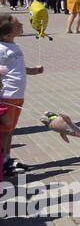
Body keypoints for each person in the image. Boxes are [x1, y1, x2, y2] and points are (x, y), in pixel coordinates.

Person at [0, 14, 45, 178]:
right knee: (4, 130)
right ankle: (3, 163)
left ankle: (6, 159)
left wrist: (31, 71)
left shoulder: (13, 45)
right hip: (7, 95)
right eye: (18, 25)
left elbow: (14, 68)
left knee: (10, 129)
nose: (21, 26)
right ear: (7, 34)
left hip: (17, 95)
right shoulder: (1, 49)